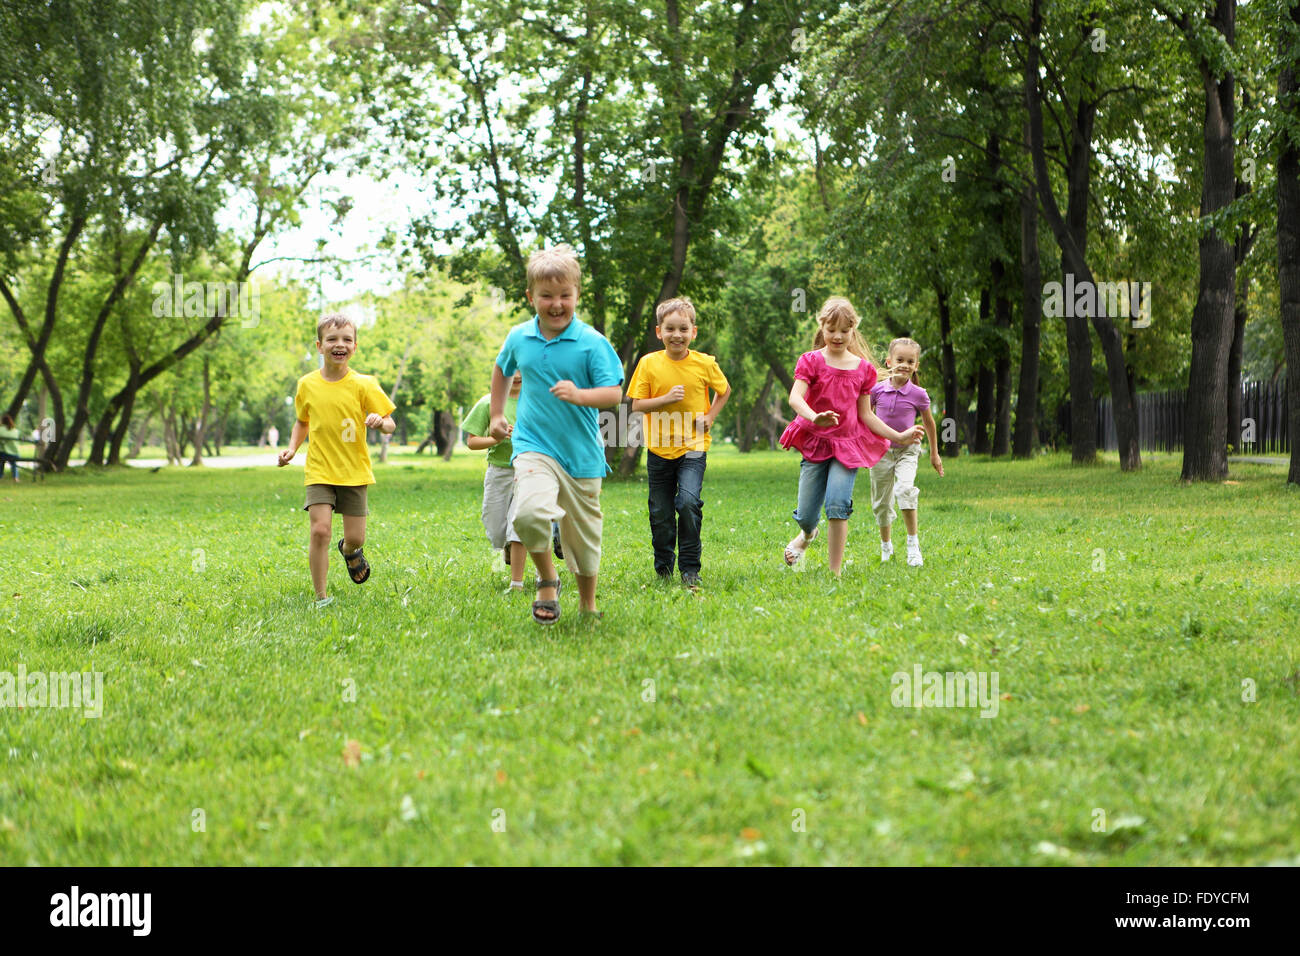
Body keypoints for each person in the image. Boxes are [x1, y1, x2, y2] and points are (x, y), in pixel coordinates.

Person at [489, 244, 624, 624]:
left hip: (580, 454)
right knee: (529, 514)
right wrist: (497, 412)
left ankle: (587, 604)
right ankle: (547, 578)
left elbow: (614, 393)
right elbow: (502, 368)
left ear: (577, 295)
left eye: (565, 295)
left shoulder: (592, 343)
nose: (556, 304)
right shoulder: (519, 337)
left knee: (582, 537)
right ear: (531, 297)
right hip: (533, 445)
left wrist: (580, 395)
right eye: (546, 296)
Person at [779, 297, 923, 576]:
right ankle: (808, 535)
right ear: (822, 326)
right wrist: (814, 417)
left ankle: (835, 573)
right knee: (807, 514)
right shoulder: (810, 361)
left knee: (837, 504)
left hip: (847, 446)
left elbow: (867, 416)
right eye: (832, 329)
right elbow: (795, 398)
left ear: (853, 330)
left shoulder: (863, 370)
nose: (838, 336)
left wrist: (900, 436)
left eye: (845, 330)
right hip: (816, 442)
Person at [277, 313, 396, 608]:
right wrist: (292, 449)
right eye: (331, 339)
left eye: (346, 339)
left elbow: (390, 423)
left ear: (354, 347)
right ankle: (321, 596)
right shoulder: (307, 384)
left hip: (354, 471)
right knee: (320, 530)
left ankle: (349, 550)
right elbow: (302, 422)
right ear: (320, 346)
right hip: (319, 469)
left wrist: (380, 422)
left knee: (355, 537)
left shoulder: (364, 384)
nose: (338, 344)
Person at [627, 296, 731, 588]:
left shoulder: (705, 363)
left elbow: (724, 391)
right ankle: (663, 567)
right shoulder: (648, 363)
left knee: (687, 502)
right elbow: (636, 405)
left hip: (693, 446)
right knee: (660, 513)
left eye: (683, 329)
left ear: (693, 332)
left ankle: (689, 568)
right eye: (670, 329)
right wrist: (665, 398)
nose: (677, 335)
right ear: (659, 331)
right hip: (659, 449)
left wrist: (710, 416)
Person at [870, 337, 944, 566]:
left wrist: (934, 453)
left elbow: (929, 423)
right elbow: (866, 417)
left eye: (910, 361)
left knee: (905, 490)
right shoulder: (877, 390)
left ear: (916, 365)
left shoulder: (919, 394)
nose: (904, 364)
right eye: (900, 359)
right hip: (881, 451)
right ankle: (886, 546)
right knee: (881, 503)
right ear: (889, 361)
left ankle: (913, 545)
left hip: (908, 451)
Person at [0, 415, 21, 483]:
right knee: (13, 463)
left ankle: (0, 476)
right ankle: (15, 477)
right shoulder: (15, 431)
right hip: (15, 454)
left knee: (1, 459)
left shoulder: (1, 430)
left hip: (4, 454)